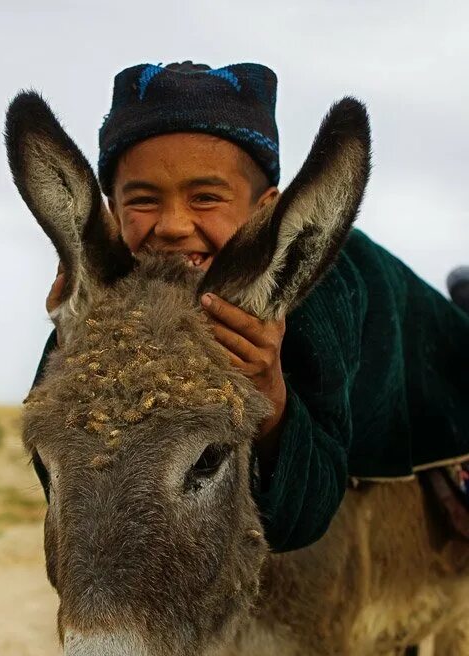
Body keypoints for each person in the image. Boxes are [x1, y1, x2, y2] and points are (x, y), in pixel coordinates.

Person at [33, 61, 469, 550]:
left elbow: (304, 518)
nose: (174, 225)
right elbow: (62, 453)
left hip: (385, 299)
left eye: (205, 198)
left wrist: (273, 397)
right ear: (112, 212)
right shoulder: (117, 283)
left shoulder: (320, 286)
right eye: (144, 200)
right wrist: (72, 341)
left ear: (266, 209)